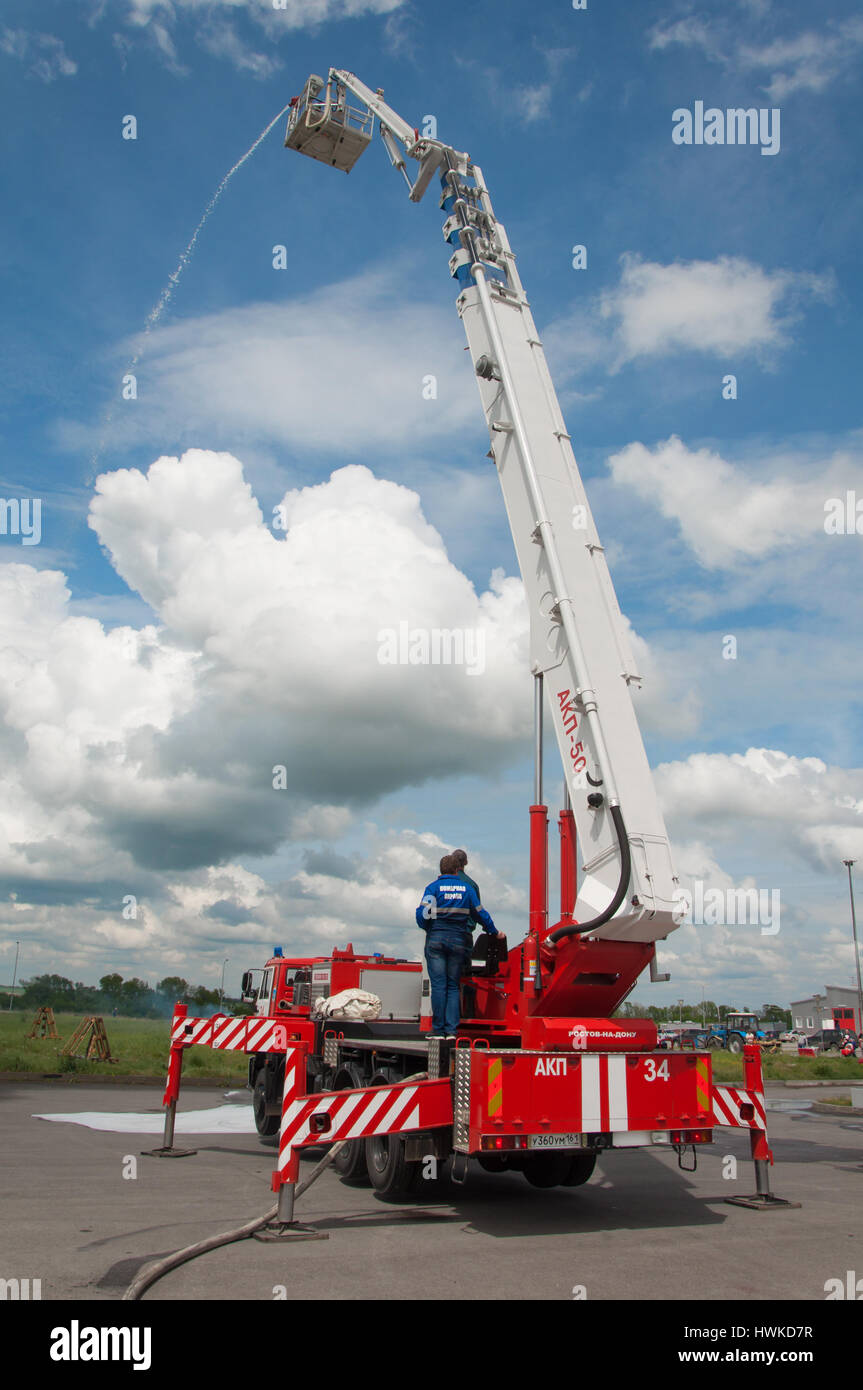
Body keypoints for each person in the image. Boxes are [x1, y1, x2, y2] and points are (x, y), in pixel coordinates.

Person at [416, 853, 497, 1038]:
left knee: (438, 986)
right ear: (457, 869)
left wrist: (430, 928)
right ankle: (452, 1031)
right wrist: (492, 930)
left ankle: (438, 1030)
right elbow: (480, 914)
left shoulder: (432, 888)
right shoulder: (467, 888)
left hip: (436, 939)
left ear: (441, 869)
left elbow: (422, 916)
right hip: (458, 940)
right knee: (453, 986)